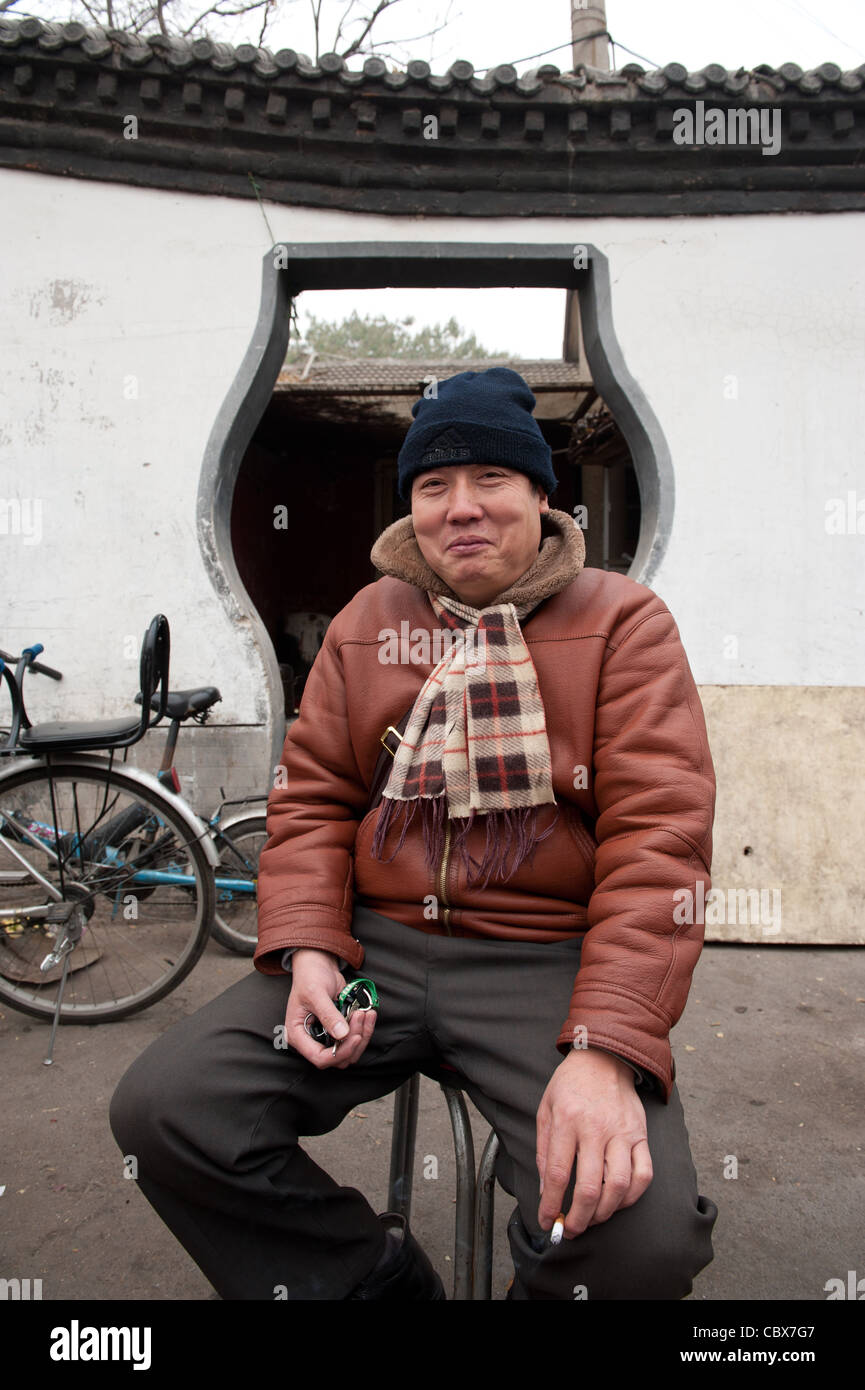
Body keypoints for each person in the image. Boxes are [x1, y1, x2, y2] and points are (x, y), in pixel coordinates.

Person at [110, 367, 719, 1300]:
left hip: (547, 962)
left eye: (490, 480)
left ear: (539, 495)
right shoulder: (368, 621)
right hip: (376, 954)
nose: (460, 508)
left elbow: (658, 844)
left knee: (640, 1243)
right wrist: (310, 946)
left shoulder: (622, 624)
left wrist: (604, 1047)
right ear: (410, 507)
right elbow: (311, 799)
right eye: (433, 486)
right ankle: (374, 1282)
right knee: (169, 1112)